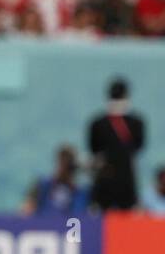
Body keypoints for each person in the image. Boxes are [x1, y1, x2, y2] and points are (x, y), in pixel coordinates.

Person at [87, 77, 145, 210]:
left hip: (103, 180)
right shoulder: (137, 123)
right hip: (126, 181)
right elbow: (138, 146)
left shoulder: (97, 123)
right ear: (126, 96)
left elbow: (94, 149)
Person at [22, 145, 88, 216]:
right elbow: (27, 210)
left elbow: (84, 216)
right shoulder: (42, 185)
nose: (64, 168)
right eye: (62, 162)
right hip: (43, 225)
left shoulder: (80, 193)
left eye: (68, 164)